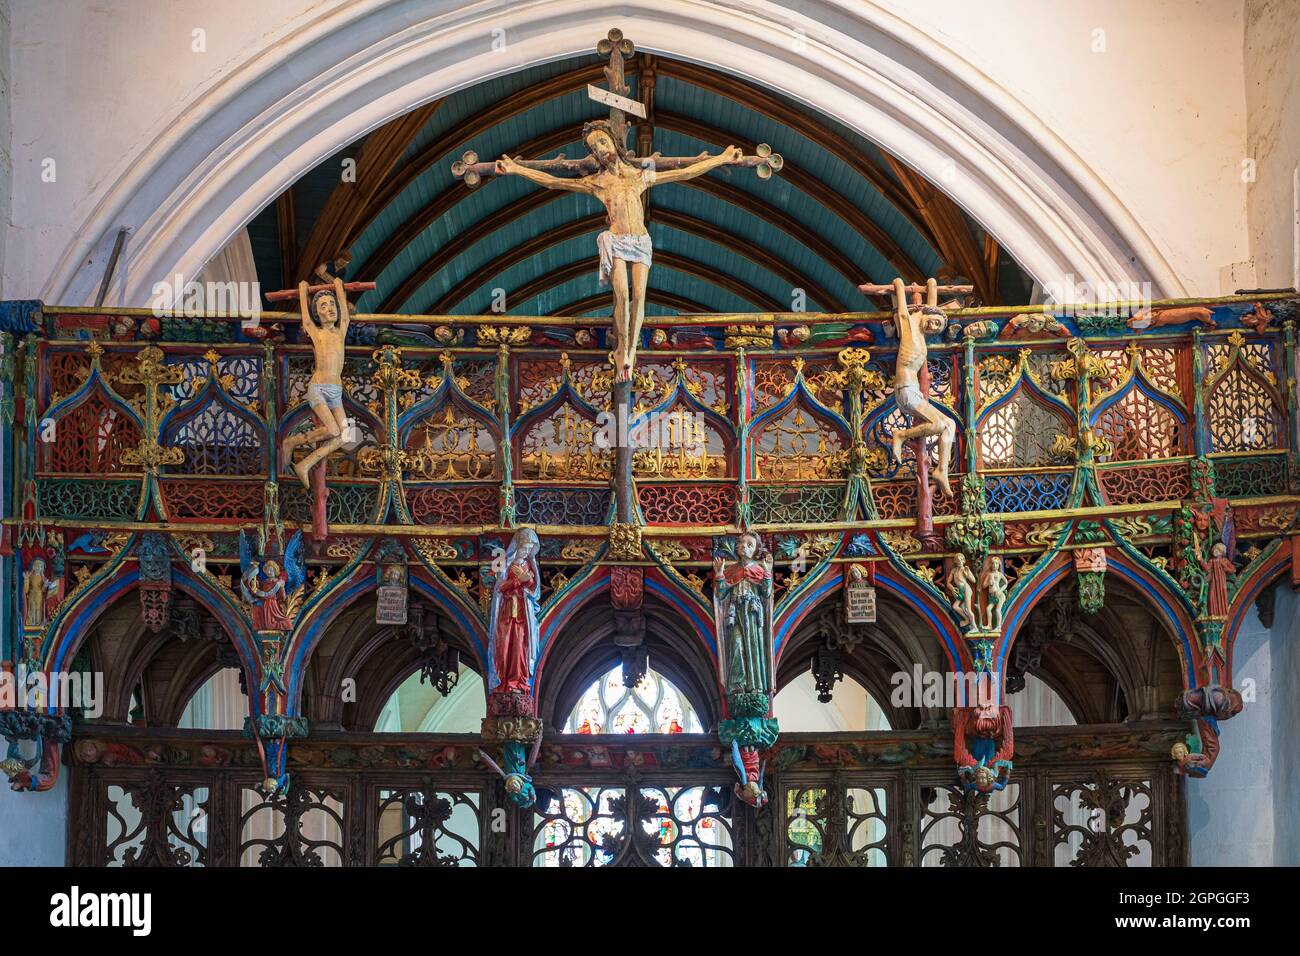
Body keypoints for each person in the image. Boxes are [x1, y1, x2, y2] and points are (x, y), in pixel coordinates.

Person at [497, 120, 742, 382]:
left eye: (603, 142)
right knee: (622, 295)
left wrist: (722, 158)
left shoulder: (639, 176)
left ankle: (631, 350)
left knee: (639, 297)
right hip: (615, 241)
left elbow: (686, 173)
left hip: (640, 241)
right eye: (595, 148)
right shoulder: (597, 182)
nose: (601, 150)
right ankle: (623, 351)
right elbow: (552, 182)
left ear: (614, 141)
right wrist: (515, 168)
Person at [283, 276, 351, 487]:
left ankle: (305, 463)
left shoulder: (341, 331)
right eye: (323, 306)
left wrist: (339, 288)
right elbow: (305, 320)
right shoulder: (317, 332)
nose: (330, 308)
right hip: (319, 388)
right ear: (317, 313)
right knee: (332, 430)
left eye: (332, 304)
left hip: (336, 391)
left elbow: (346, 316)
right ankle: (293, 441)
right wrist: (303, 292)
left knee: (345, 435)